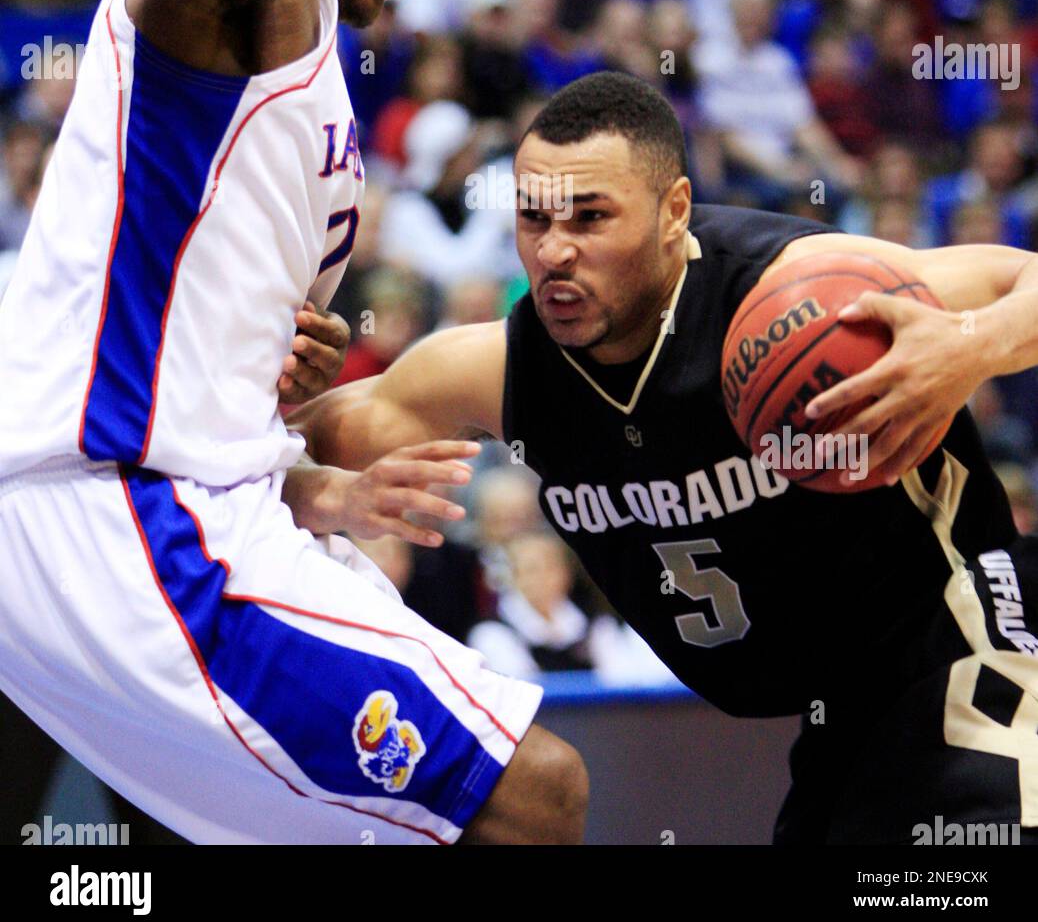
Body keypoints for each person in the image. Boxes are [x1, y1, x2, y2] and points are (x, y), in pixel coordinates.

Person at [0, 0, 586, 847]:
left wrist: (303, 471)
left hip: (158, 503)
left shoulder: (302, 74)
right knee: (536, 793)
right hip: (108, 510)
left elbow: (189, 352)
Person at [293, 69, 1038, 845]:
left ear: (673, 211)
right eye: (533, 218)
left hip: (965, 637)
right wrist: (302, 441)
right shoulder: (500, 371)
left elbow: (1025, 275)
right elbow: (264, 454)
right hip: (841, 714)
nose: (554, 251)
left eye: (590, 218)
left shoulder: (798, 298)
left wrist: (968, 346)